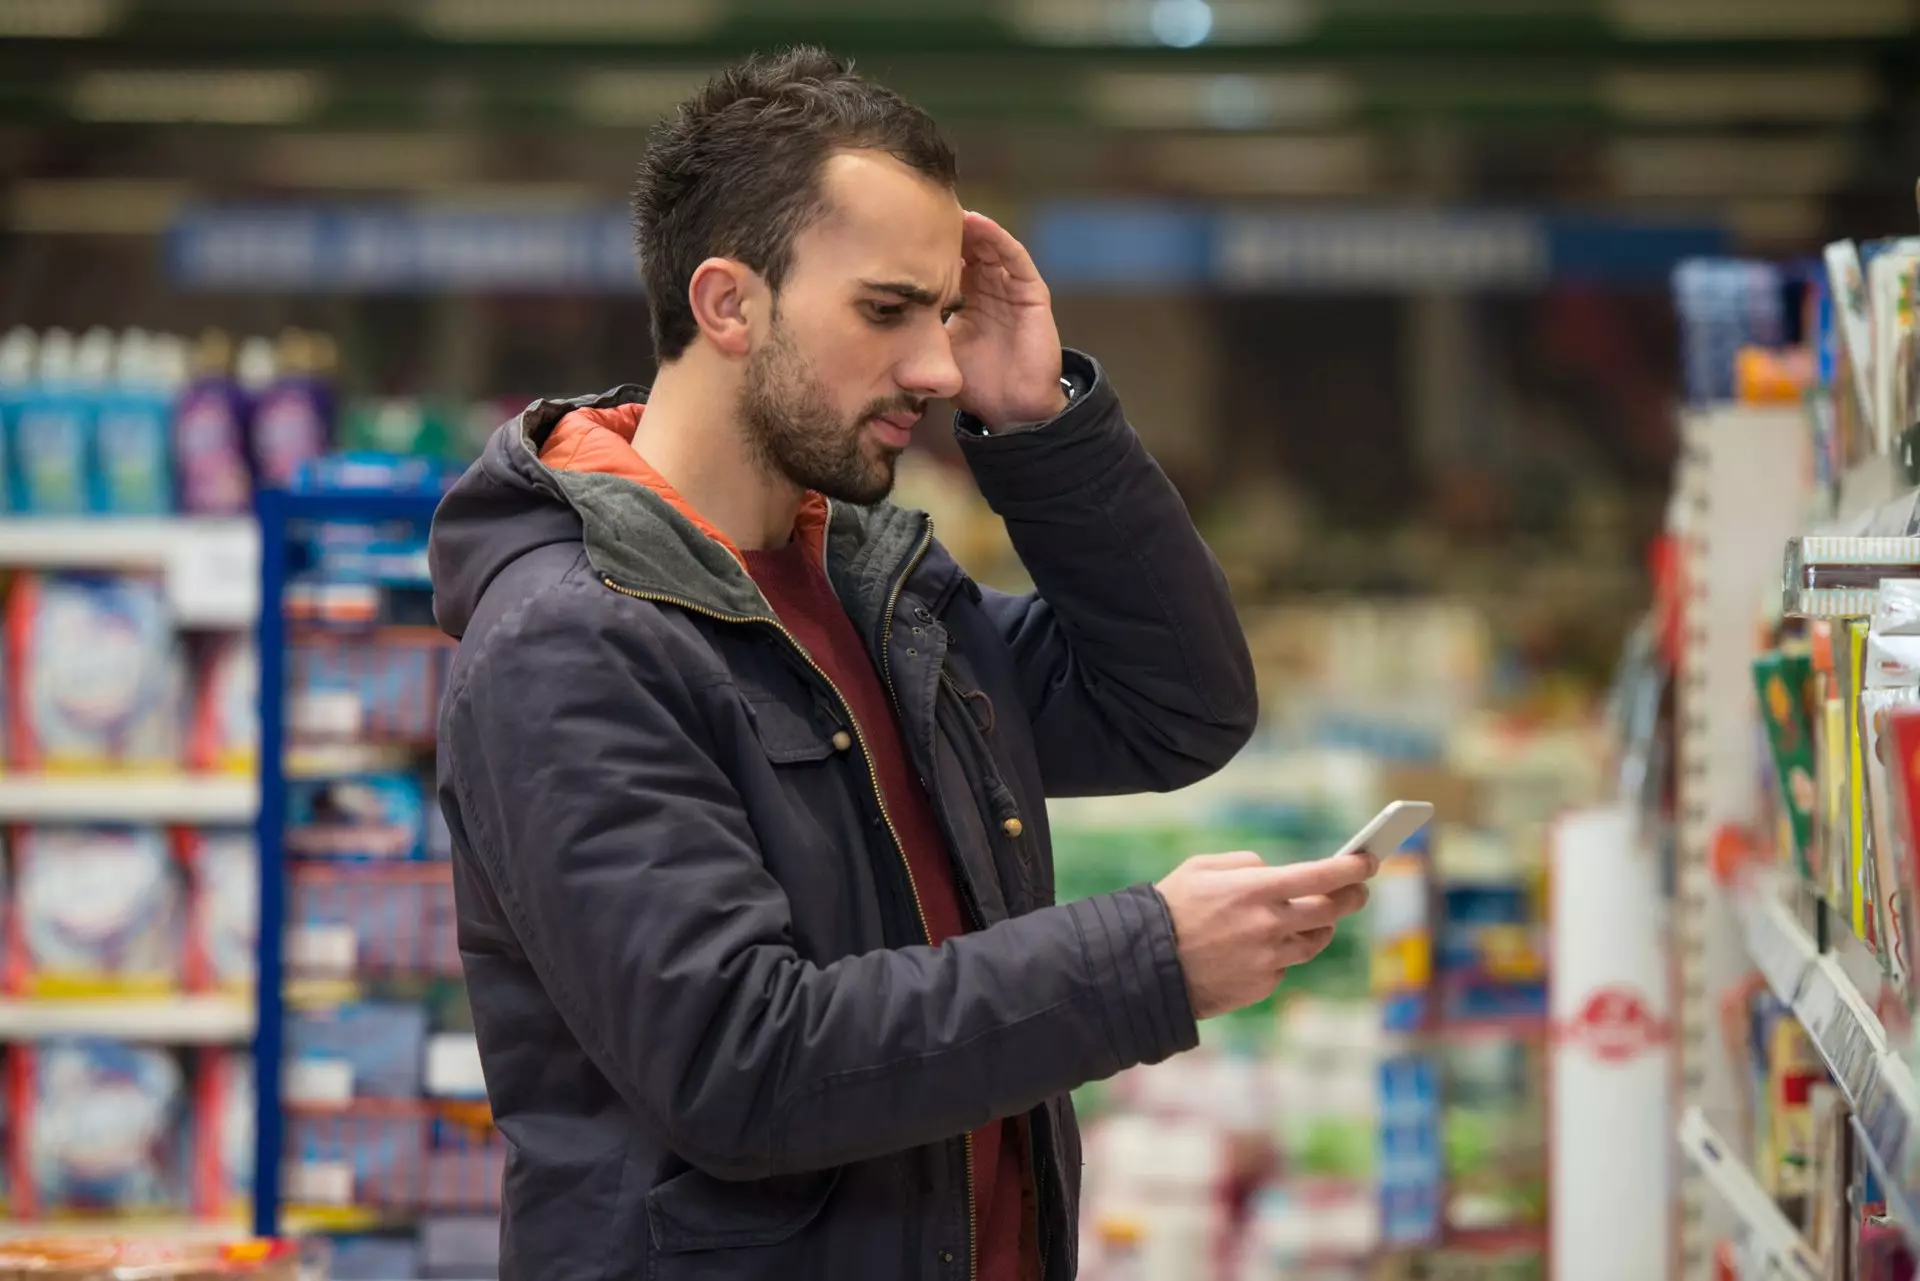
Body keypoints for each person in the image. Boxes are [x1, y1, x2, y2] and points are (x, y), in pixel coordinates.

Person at [428, 46, 1375, 1281]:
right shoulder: (574, 643)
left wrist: (1042, 427)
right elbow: (742, 1066)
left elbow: (1174, 711)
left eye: (943, 315)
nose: (934, 370)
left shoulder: (874, 590)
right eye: (887, 312)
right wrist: (1146, 962)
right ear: (729, 305)